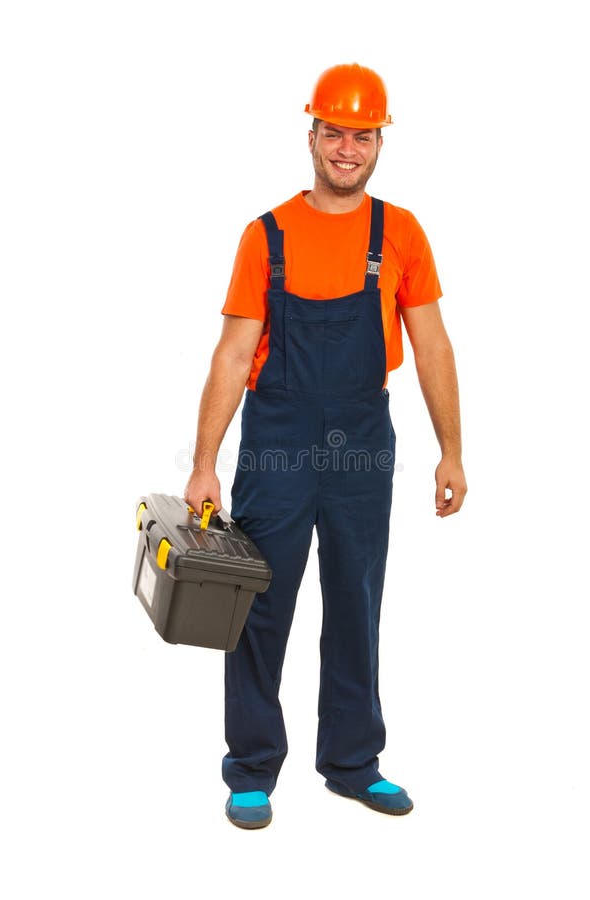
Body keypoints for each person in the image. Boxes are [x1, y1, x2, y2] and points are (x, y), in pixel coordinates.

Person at [184, 63, 467, 829]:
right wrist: (206, 462)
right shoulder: (265, 234)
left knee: (356, 601)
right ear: (312, 133)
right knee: (259, 603)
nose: (348, 148)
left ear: (379, 142)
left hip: (361, 443)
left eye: (362, 135)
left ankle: (351, 762)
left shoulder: (399, 233)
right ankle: (251, 767)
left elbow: (432, 345)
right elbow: (233, 355)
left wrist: (452, 450)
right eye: (335, 132)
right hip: (276, 437)